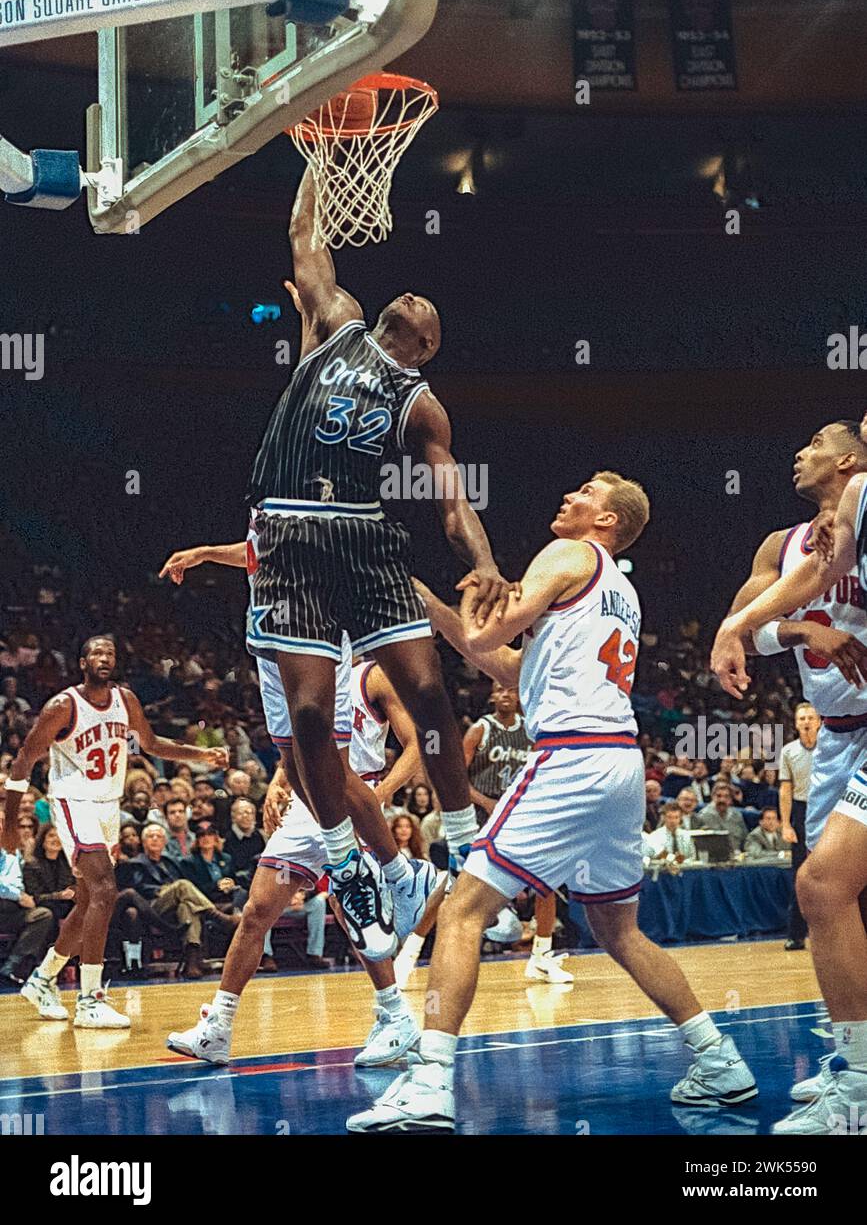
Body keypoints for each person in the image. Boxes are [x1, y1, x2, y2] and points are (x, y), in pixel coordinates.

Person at [348, 474, 756, 1132]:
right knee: (617, 931)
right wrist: (433, 610)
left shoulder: (566, 554)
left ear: (607, 521)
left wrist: (480, 595)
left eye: (586, 492)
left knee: (461, 911)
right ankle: (718, 1059)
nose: (567, 495)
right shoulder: (617, 588)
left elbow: (488, 637)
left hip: (570, 754)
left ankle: (427, 1085)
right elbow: (512, 668)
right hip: (619, 761)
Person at [242, 161, 515, 957]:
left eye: (425, 313)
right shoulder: (340, 319)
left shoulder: (419, 401)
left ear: (424, 346)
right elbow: (304, 236)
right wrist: (319, 157)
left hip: (361, 536)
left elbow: (452, 501)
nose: (412, 298)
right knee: (306, 722)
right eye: (411, 297)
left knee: (428, 690)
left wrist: (486, 562)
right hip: (288, 531)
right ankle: (348, 868)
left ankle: (464, 847)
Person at [167, 644, 433, 1069]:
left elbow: (417, 744)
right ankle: (218, 1027)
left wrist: (377, 796)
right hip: (305, 803)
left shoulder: (373, 677)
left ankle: (396, 1016)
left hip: (352, 798)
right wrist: (277, 779)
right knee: (256, 910)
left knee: (351, 910)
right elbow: (297, 740)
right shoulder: (307, 672)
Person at [711, 411, 867, 1131]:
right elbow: (754, 618)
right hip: (833, 739)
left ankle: (858, 1083)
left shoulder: (861, 497)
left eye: (814, 445)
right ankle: (851, 1063)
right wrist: (801, 627)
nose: (797, 453)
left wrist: (751, 627)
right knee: (828, 897)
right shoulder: (785, 543)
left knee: (823, 886)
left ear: (845, 463)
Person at [1, 635, 229, 1026]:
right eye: (97, 653)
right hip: (74, 800)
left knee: (90, 900)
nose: (105, 657)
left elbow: (152, 744)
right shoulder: (64, 706)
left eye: (110, 652)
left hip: (108, 804)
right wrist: (8, 825)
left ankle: (42, 979)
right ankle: (90, 1000)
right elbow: (23, 762)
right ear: (82, 662)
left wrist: (200, 755)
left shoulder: (126, 701)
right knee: (106, 889)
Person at [462, 683, 571, 985]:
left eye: (511, 690)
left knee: (546, 881)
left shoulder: (533, 730)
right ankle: (414, 952)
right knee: (459, 887)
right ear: (492, 695)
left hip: (523, 814)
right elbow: (456, 777)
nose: (506, 694)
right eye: (499, 690)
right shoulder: (480, 730)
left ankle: (541, 956)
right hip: (483, 815)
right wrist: (486, 802)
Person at [128, 823, 240, 979]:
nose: (154, 839)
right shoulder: (136, 863)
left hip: (174, 906)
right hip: (152, 906)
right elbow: (137, 888)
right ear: (143, 841)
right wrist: (162, 890)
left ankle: (192, 962)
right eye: (150, 836)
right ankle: (219, 917)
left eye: (158, 836)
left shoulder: (170, 861)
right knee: (182, 885)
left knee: (186, 906)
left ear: (164, 841)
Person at [776, 702, 819, 950]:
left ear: (819, 721)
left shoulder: (830, 749)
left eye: (810, 717)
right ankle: (796, 934)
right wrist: (786, 825)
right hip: (801, 811)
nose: (805, 722)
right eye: (801, 718)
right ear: (795, 723)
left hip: (828, 808)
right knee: (800, 877)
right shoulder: (789, 751)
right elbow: (785, 789)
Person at [0, 846, 54, 986]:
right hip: (12, 901)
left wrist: (14, 892)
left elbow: (17, 884)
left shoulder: (10, 857)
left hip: (11, 910)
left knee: (42, 914)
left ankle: (12, 966)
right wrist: (16, 895)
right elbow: (13, 890)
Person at [697, 781, 748, 852]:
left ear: (731, 799)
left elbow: (745, 840)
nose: (722, 800)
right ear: (712, 796)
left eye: (726, 796)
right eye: (719, 796)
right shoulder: (703, 816)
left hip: (737, 857)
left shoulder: (737, 815)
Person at [163, 796, 196, 864]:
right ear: (166, 817)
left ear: (186, 814)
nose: (177, 815)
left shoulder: (195, 838)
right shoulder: (162, 840)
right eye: (172, 812)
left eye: (181, 811)